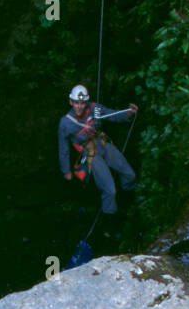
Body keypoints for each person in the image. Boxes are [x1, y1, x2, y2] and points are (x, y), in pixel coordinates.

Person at [58, 84, 138, 217]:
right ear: (70, 101)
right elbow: (63, 147)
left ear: (86, 102)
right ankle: (109, 218)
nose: (79, 106)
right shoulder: (65, 123)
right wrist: (66, 170)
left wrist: (128, 114)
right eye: (76, 103)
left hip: (102, 143)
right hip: (90, 153)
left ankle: (129, 201)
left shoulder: (94, 109)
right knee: (110, 190)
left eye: (83, 103)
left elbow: (112, 114)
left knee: (130, 175)